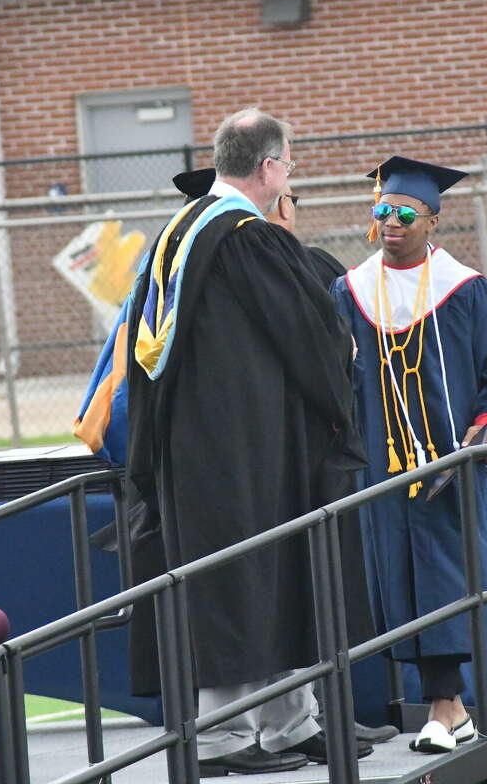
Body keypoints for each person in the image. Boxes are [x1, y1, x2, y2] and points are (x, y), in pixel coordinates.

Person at [117, 109, 375, 776]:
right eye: (287, 164)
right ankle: (222, 737)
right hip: (244, 443)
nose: (288, 174)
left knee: (268, 571)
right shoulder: (245, 239)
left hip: (202, 441)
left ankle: (288, 723)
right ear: (269, 168)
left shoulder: (178, 235)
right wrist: (341, 362)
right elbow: (310, 334)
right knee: (239, 577)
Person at [329, 156, 487, 754]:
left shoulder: (467, 292)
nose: (390, 222)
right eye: (382, 211)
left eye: (404, 213)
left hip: (448, 467)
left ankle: (445, 708)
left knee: (448, 576)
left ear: (433, 221)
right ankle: (451, 709)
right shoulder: (349, 292)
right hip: (381, 467)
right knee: (395, 582)